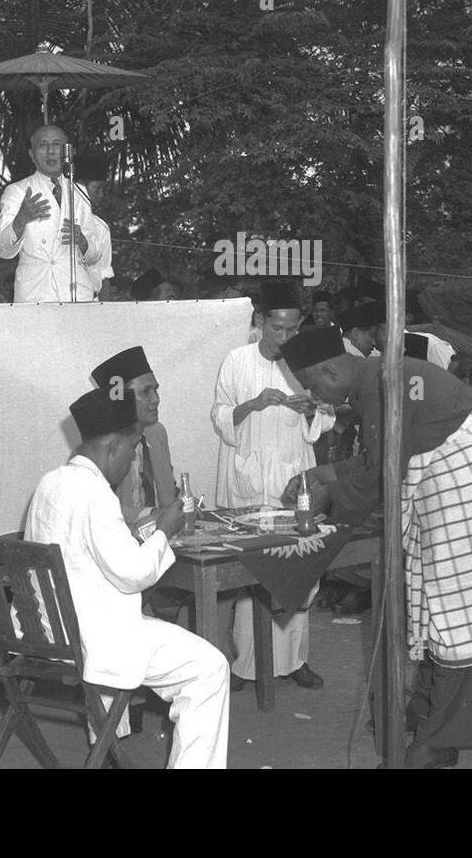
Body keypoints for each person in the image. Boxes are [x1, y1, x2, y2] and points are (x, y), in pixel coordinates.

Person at [279, 325, 472, 769]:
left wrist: (330, 501)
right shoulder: (376, 380)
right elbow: (377, 461)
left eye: (314, 386)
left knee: (463, 617)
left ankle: (438, 741)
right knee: (433, 605)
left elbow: (378, 473)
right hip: (440, 478)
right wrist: (324, 477)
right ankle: (432, 721)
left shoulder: (389, 382)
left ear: (330, 369)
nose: (320, 398)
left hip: (462, 480)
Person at [25, 387, 229, 769]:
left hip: (48, 633)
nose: (132, 459)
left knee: (178, 650)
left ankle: (107, 746)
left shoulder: (49, 483)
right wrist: (165, 530)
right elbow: (133, 575)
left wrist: (140, 539)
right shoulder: (95, 492)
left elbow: (85, 556)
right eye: (133, 450)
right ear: (114, 446)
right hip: (94, 638)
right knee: (210, 668)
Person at [210, 281, 333, 691]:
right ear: (260, 322)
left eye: (292, 329)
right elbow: (220, 415)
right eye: (277, 328)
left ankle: (296, 660)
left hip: (293, 475)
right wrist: (253, 404)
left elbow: (327, 414)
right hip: (250, 478)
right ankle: (245, 663)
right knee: (251, 570)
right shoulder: (236, 360)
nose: (285, 338)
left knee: (298, 563)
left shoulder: (305, 361)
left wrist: (312, 406)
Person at [0, 124, 109, 303]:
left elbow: (95, 256)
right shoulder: (17, 191)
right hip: (36, 294)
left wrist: (82, 241)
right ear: (32, 154)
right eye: (42, 145)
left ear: (68, 152)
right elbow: (3, 249)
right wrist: (21, 220)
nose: (50, 151)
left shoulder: (80, 192)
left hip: (77, 295)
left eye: (56, 144)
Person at [91, 346, 177, 526]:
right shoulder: (103, 443)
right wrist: (154, 513)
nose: (156, 399)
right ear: (122, 398)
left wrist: (182, 505)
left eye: (156, 390)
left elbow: (169, 488)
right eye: (146, 392)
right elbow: (99, 509)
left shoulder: (156, 432)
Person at [73, 152, 115, 301]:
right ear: (78, 187)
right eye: (97, 188)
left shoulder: (101, 228)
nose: (101, 195)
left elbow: (104, 276)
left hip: (90, 305)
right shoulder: (52, 220)